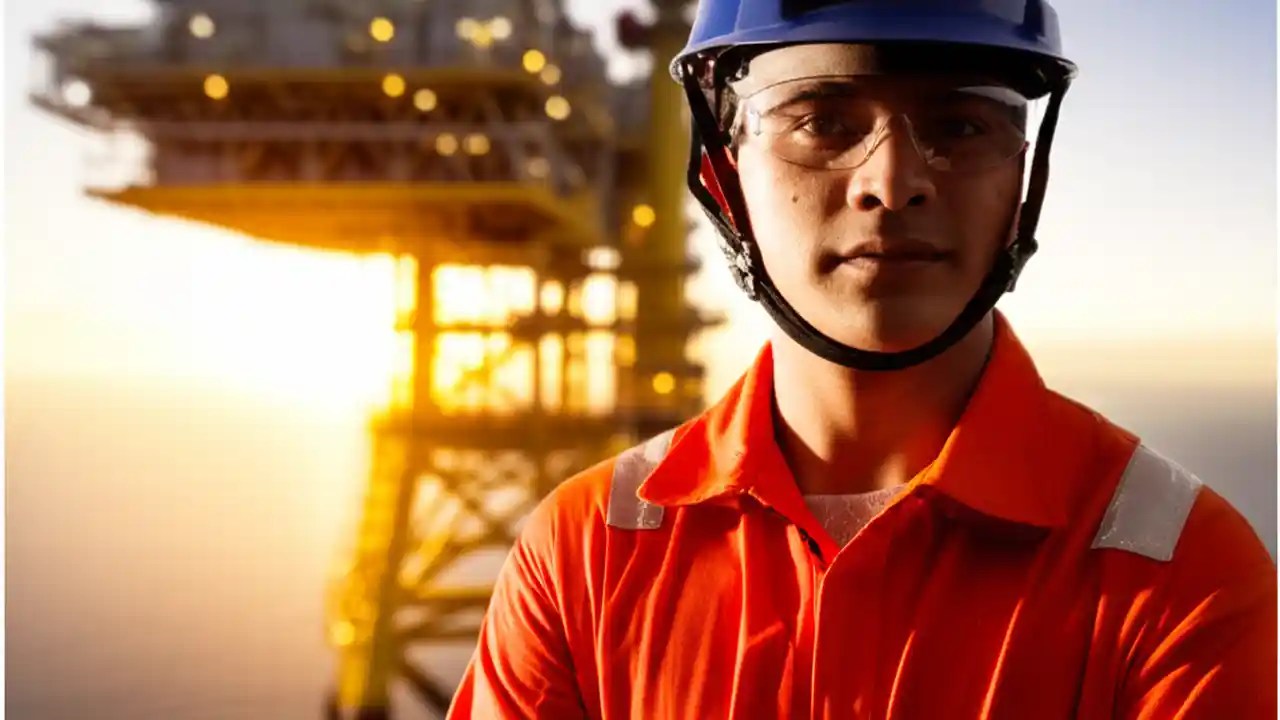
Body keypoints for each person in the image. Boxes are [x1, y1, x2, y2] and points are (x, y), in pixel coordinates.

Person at [447, 1, 1277, 717]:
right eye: (822, 120)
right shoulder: (584, 555)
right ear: (723, 174)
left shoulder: (1181, 571)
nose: (893, 181)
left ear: (1023, 182)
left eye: (959, 123)